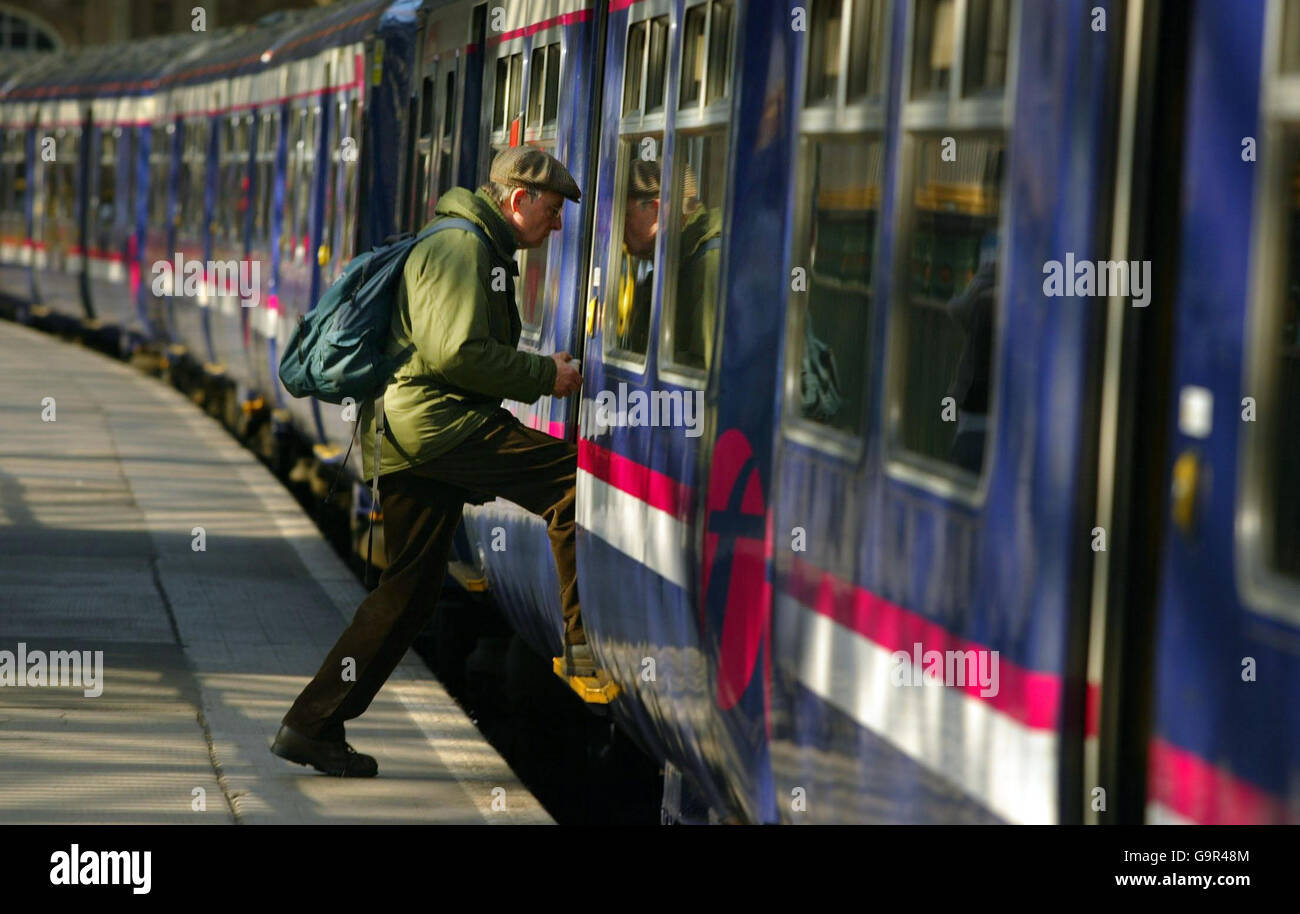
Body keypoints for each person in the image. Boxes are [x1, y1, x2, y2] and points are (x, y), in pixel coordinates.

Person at [271, 147, 586, 777]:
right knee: (575, 479)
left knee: (409, 593)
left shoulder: (471, 244)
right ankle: (582, 644)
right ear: (518, 199)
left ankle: (312, 724)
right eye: (551, 211)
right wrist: (544, 375)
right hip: (436, 432)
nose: (556, 227)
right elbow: (456, 355)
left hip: (412, 435)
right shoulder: (463, 249)